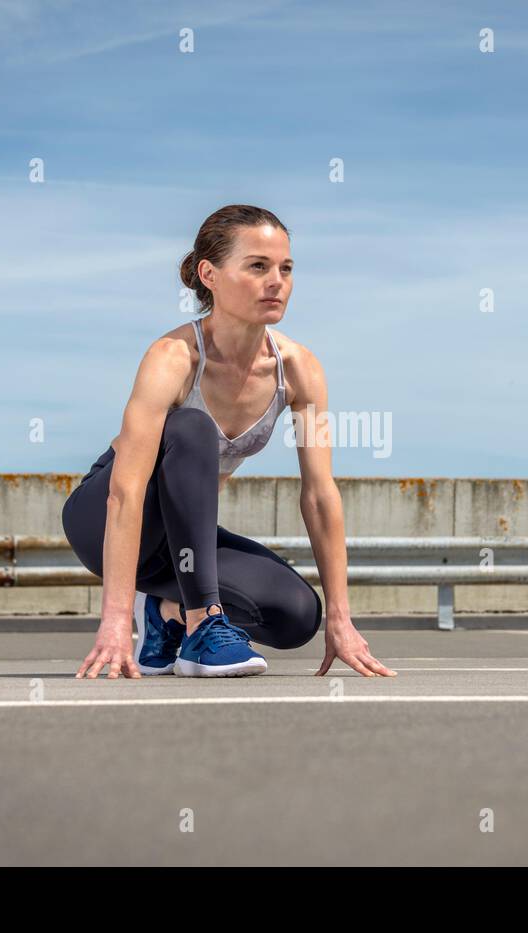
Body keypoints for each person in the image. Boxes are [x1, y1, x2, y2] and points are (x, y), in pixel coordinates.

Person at [62, 204, 397, 680]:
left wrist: (342, 620)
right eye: (257, 266)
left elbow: (320, 495)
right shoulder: (173, 358)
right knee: (192, 426)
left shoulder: (299, 369)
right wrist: (113, 622)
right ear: (210, 275)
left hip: (181, 547)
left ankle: (163, 613)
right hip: (105, 522)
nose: (276, 281)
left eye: (285, 268)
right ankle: (200, 625)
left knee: (296, 613)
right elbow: (125, 491)